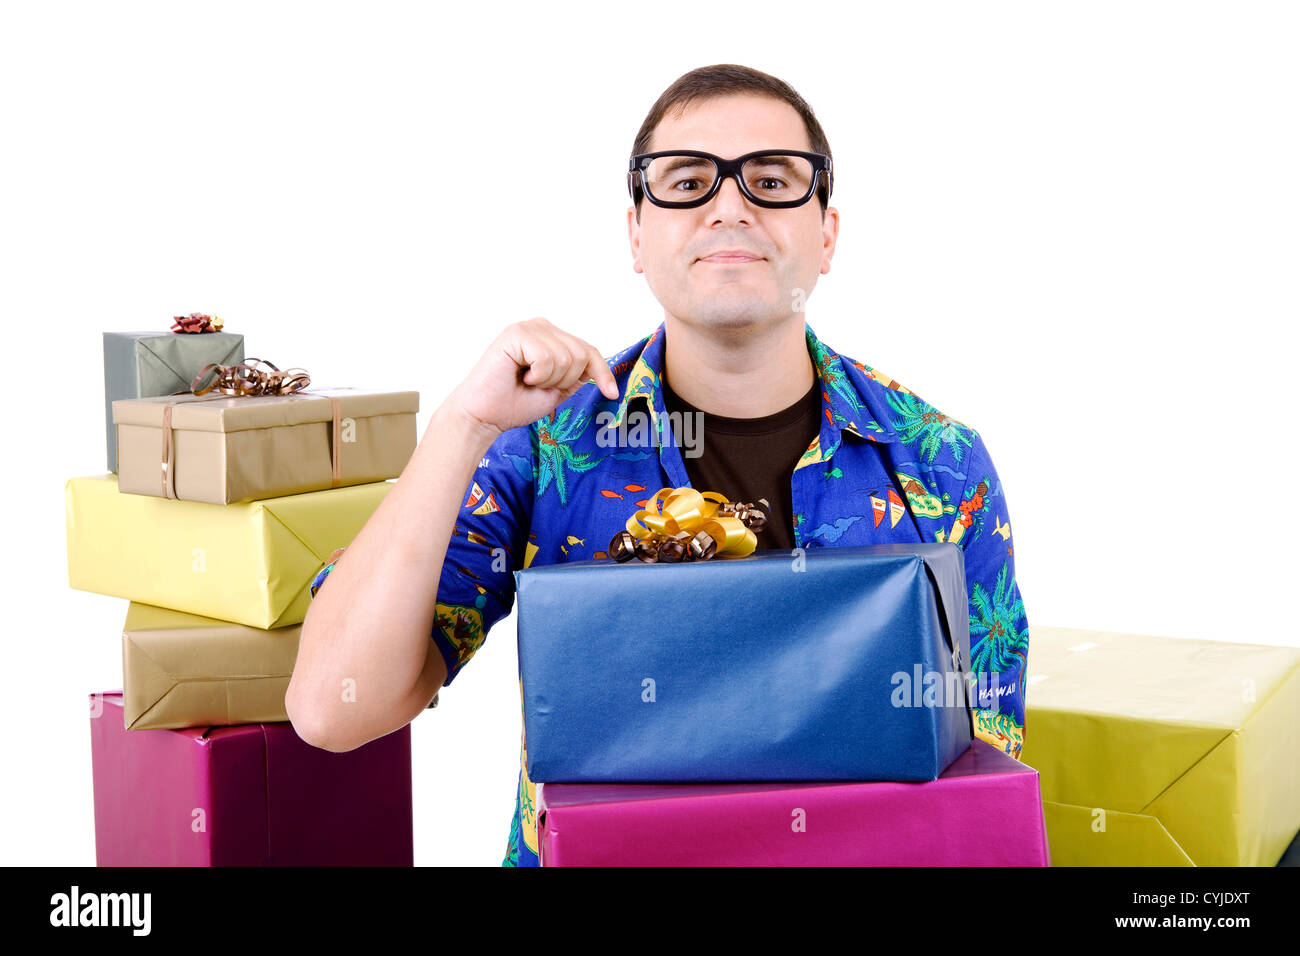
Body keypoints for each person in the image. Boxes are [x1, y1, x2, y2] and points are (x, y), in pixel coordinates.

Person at [286, 63, 1029, 867]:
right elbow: (333, 708)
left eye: (773, 180)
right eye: (688, 181)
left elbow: (980, 774)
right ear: (636, 235)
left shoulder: (941, 463)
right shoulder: (545, 447)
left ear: (828, 235)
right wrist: (460, 427)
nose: (731, 207)